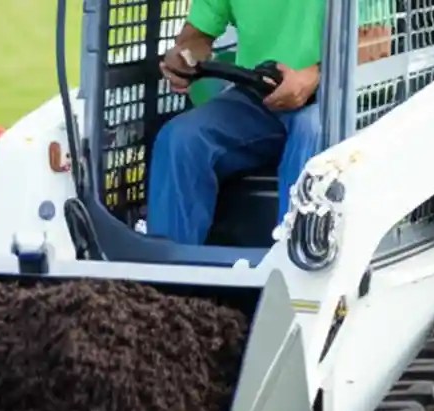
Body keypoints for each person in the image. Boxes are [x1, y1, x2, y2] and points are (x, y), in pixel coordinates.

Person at [146, 0, 393, 246]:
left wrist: (314, 76)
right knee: (180, 139)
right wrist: (184, 56)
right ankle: (167, 277)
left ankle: (297, 266)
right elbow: (197, 35)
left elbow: (377, 45)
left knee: (313, 130)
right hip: (259, 96)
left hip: (340, 97)